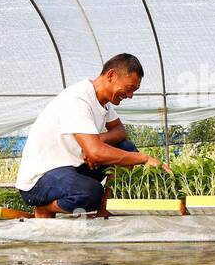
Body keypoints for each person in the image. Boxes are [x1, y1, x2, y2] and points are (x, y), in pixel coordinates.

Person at [15, 53, 169, 218]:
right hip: (41, 179)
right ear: (111, 75)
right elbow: (96, 152)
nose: (130, 96)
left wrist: (97, 142)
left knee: (126, 147)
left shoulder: (103, 101)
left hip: (72, 167)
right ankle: (46, 208)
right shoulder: (78, 99)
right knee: (91, 194)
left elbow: (120, 131)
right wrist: (144, 158)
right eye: (129, 88)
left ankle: (104, 212)